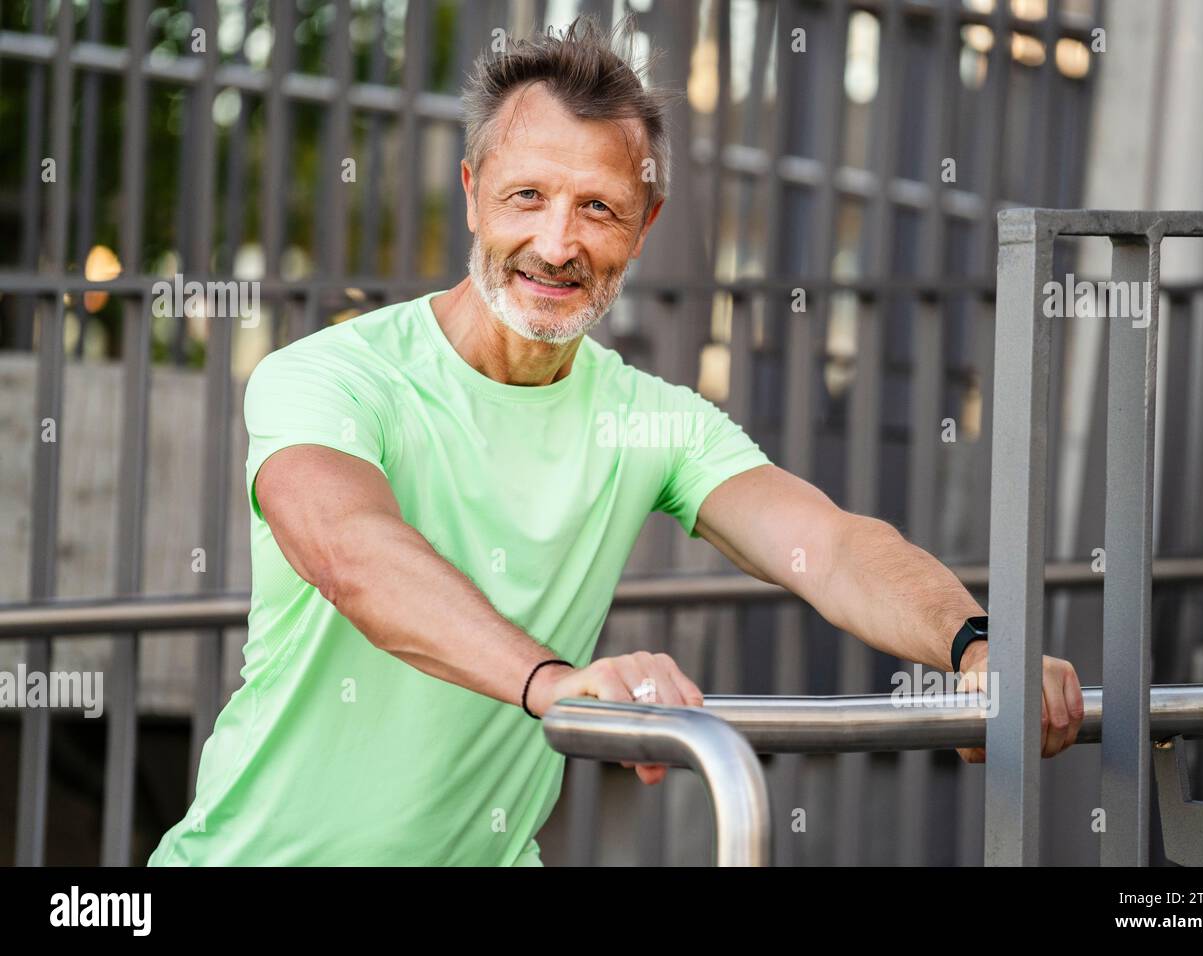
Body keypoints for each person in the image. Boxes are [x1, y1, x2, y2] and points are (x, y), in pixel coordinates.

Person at [149, 15, 1083, 867]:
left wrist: (974, 646)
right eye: (527, 196)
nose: (557, 244)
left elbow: (829, 543)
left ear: (643, 228)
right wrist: (555, 683)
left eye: (597, 207)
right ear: (473, 195)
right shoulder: (329, 376)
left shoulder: (647, 415)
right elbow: (351, 553)